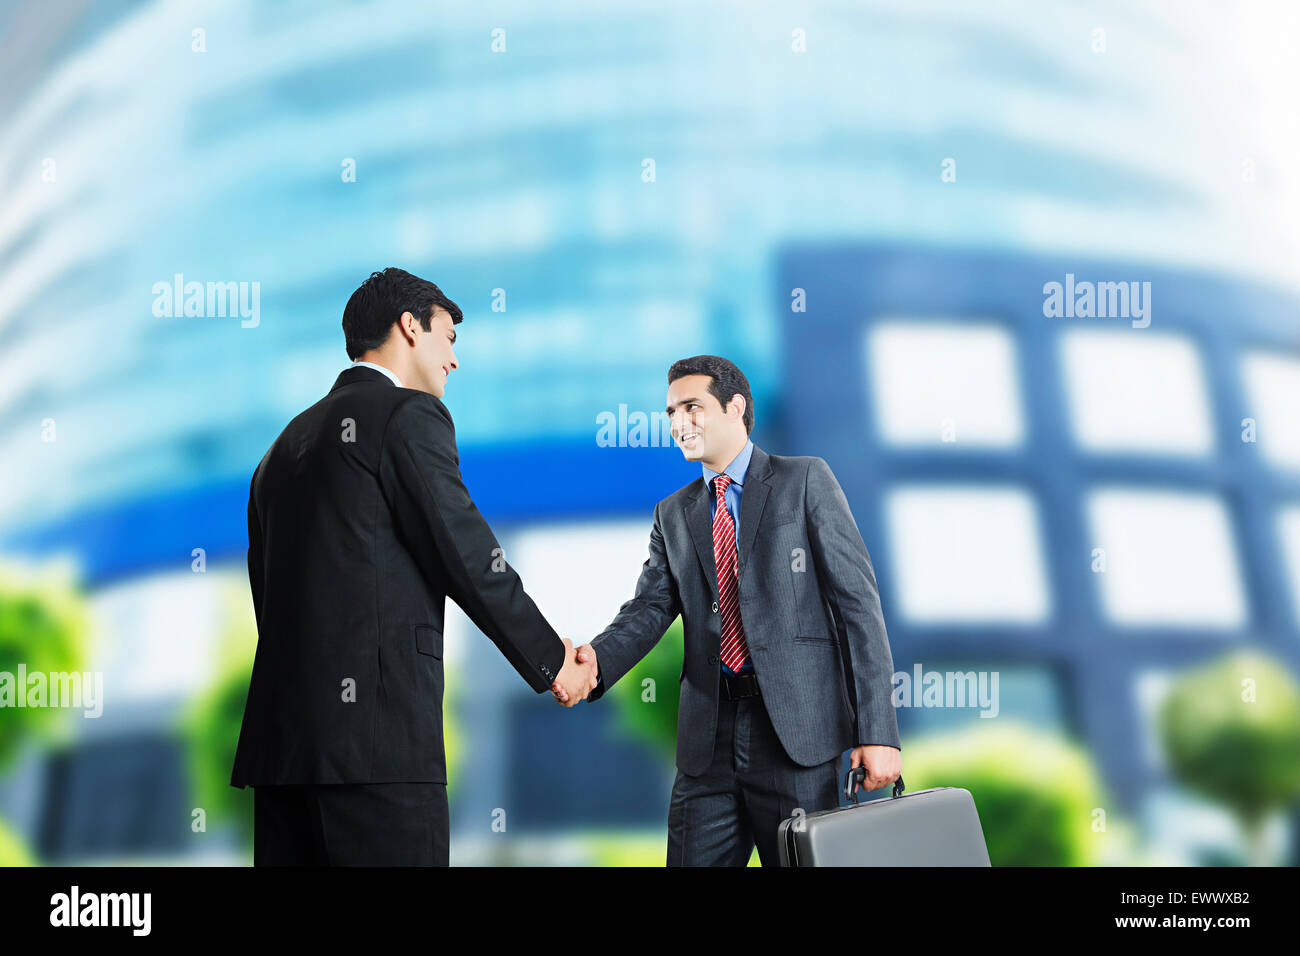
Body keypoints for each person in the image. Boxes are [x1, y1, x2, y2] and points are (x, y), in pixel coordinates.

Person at [230, 267, 597, 866]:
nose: (454, 360)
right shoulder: (407, 416)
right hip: (379, 750)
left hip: (284, 759)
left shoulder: (279, 451)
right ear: (409, 325)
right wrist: (554, 659)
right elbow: (470, 556)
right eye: (449, 337)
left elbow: (268, 599)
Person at [555, 355, 901, 865]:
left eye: (692, 407)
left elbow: (858, 608)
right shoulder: (672, 513)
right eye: (671, 411)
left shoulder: (804, 481)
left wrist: (878, 732)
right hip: (708, 742)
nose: (677, 423)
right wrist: (594, 663)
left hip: (799, 737)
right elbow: (648, 609)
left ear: (735, 406)